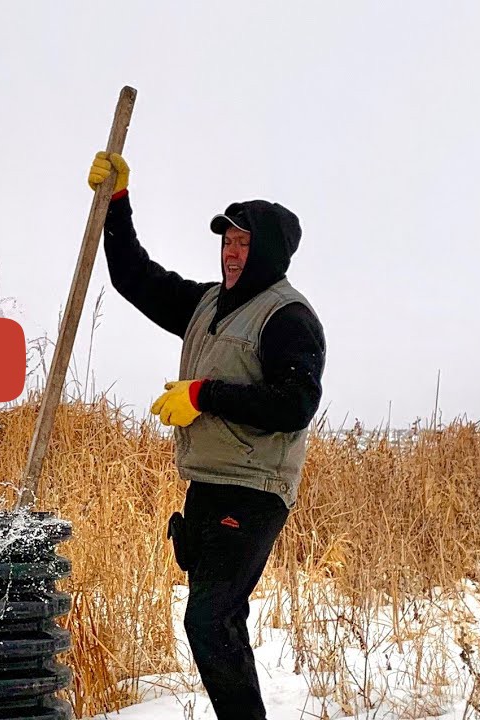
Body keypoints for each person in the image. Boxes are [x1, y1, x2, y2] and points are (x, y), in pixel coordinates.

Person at [87, 151, 326, 719]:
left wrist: (202, 394)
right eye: (226, 241)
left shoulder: (288, 317)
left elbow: (296, 404)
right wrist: (116, 205)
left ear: (268, 251)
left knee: (210, 618)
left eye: (243, 243)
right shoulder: (206, 304)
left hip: (255, 488)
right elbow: (133, 277)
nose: (231, 252)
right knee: (215, 620)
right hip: (208, 485)